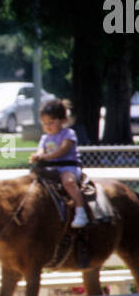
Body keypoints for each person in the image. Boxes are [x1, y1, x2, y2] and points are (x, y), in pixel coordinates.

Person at [29, 98, 88, 228]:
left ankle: (80, 211)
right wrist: (37, 156)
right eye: (44, 123)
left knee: (68, 182)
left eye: (51, 122)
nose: (47, 126)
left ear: (63, 120)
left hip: (68, 168)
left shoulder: (69, 134)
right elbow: (41, 150)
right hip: (52, 169)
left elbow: (62, 150)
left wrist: (46, 156)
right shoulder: (45, 138)